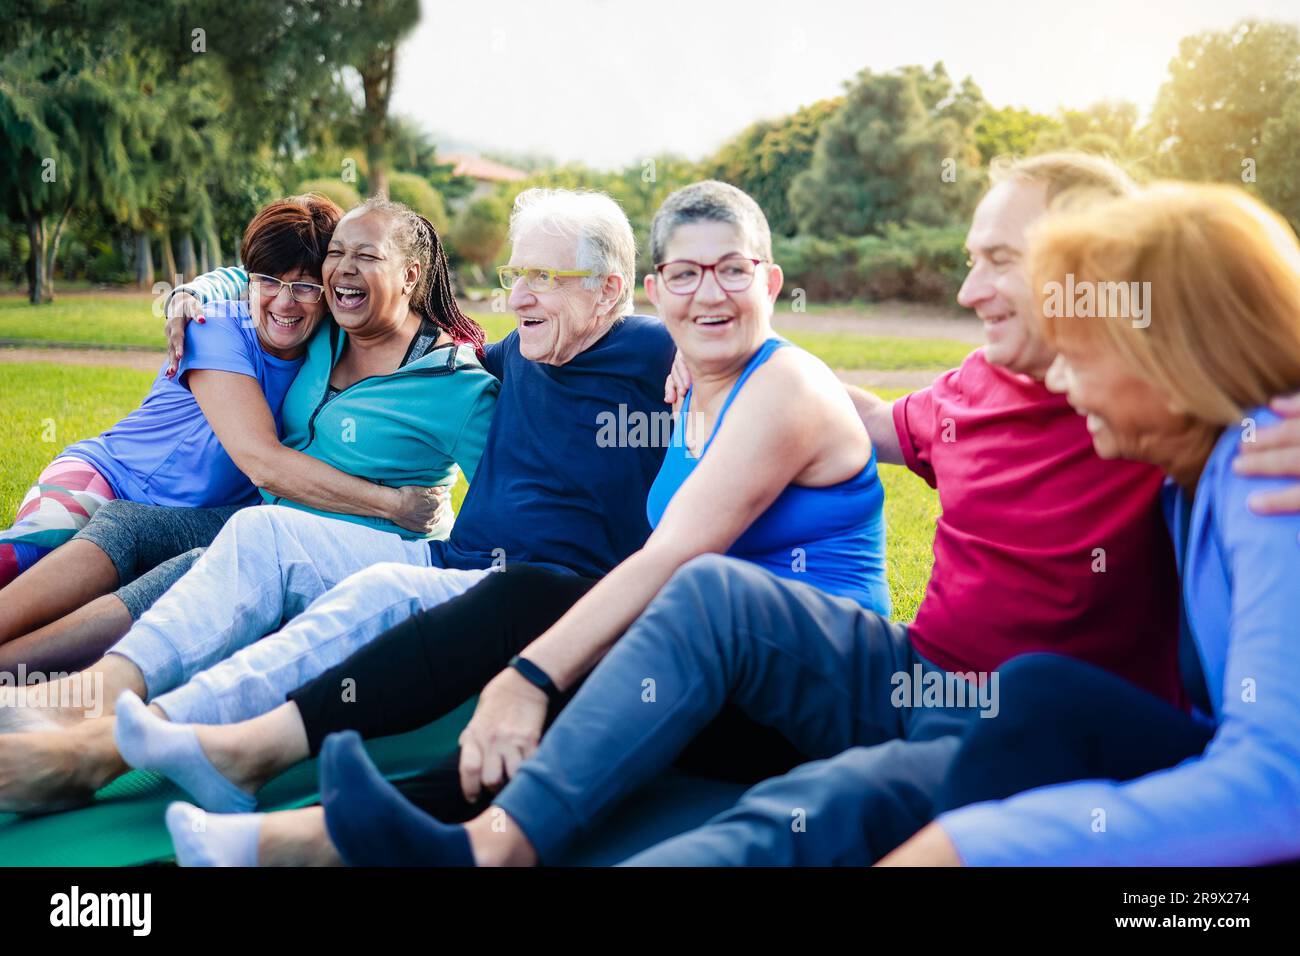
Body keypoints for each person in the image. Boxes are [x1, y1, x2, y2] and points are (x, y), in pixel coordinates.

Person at [206, 153, 1300, 868]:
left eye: (1001, 265)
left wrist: (527, 673)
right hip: (910, 671)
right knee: (693, 598)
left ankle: (344, 809)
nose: (972, 294)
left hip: (1026, 720)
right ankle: (444, 829)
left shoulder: (1237, 451)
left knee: (896, 743)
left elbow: (1241, 342)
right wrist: (739, 369)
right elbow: (865, 415)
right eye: (681, 279)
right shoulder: (975, 390)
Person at [0, 187, 680, 811]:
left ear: (609, 291)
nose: (521, 296)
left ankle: (123, 743)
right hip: (414, 551)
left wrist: (691, 356)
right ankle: (79, 698)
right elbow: (267, 278)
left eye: (544, 278)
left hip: (519, 586)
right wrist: (191, 294)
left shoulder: (647, 352)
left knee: (369, 584)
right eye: (517, 276)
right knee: (248, 535)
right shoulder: (511, 355)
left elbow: (744, 354)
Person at [881, 183, 1300, 867]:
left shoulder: (1272, 472)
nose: (1065, 386)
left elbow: (1281, 791)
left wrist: (970, 848)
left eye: (1078, 354)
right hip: (1203, 758)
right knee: (1041, 694)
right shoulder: (1191, 469)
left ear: (1169, 358)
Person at [0, 194, 484, 673]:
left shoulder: (412, 364)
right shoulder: (270, 326)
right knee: (71, 535)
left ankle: (17, 668)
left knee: (183, 575)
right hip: (140, 483)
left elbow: (508, 487)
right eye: (337, 255)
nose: (287, 299)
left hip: (289, 531)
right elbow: (271, 276)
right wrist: (188, 293)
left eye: (366, 256)